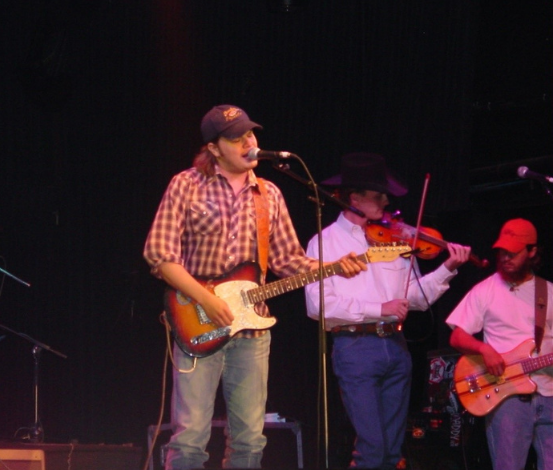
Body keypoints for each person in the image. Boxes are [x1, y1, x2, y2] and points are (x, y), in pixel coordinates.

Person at [143, 104, 366, 470]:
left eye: (250, 134)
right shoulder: (186, 184)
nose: (249, 143)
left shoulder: (269, 194)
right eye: (236, 138)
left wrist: (336, 267)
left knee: (249, 439)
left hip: (251, 331)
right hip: (196, 322)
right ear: (214, 148)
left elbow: (289, 260)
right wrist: (206, 300)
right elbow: (159, 254)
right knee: (190, 439)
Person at [304, 152, 471, 470]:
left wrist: (447, 268)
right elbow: (320, 306)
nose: (386, 202)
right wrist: (379, 308)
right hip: (355, 347)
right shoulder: (325, 243)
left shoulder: (394, 241)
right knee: (373, 449)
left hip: (396, 346)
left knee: (393, 452)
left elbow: (415, 297)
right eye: (378, 195)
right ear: (354, 199)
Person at [446, 218, 553, 469]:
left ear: (532, 251)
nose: (505, 258)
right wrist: (484, 349)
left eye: (513, 253)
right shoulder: (485, 290)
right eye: (502, 252)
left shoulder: (548, 291)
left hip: (549, 394)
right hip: (507, 399)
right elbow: (457, 337)